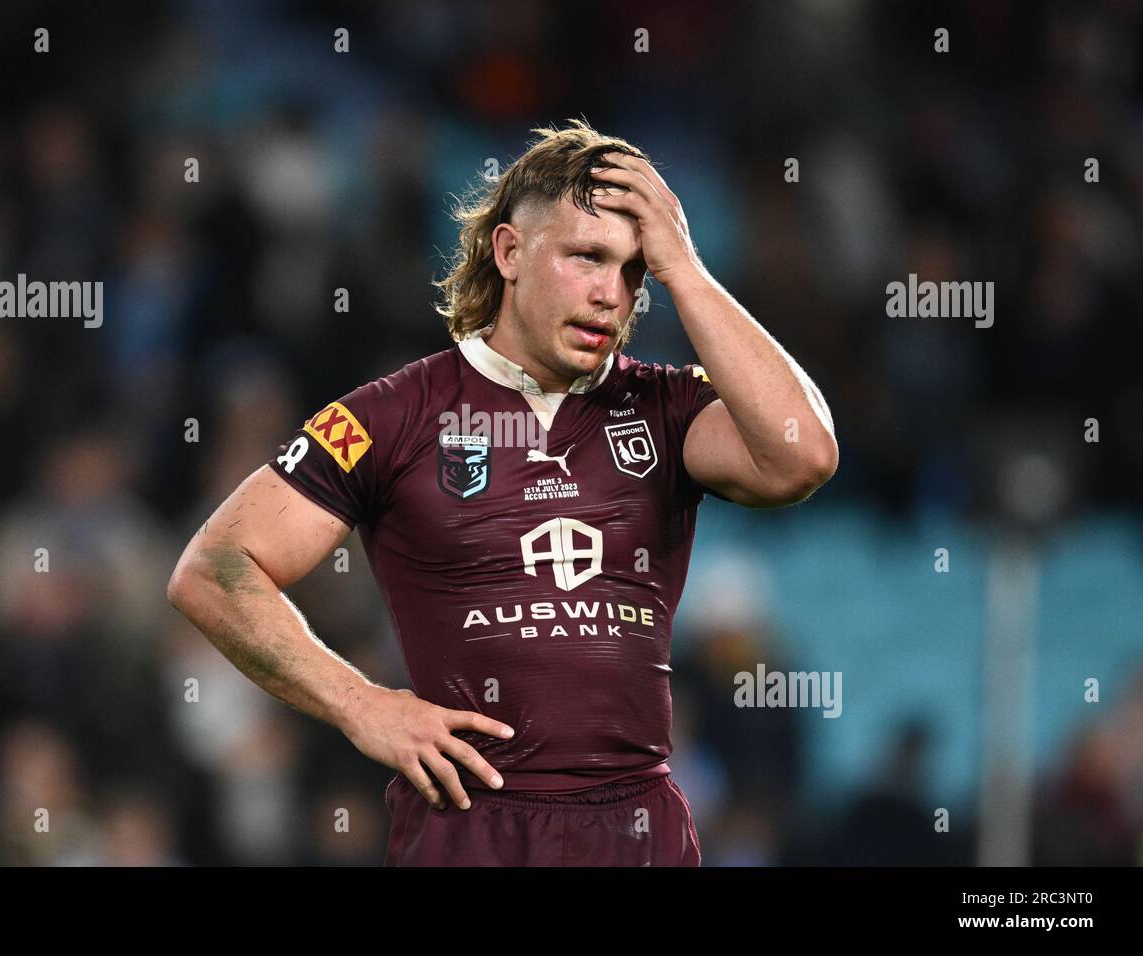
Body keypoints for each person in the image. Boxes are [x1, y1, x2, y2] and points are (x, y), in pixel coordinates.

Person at [167, 119, 838, 866]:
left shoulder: (667, 407)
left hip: (637, 829)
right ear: (510, 252)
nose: (609, 294)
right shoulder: (391, 417)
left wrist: (686, 268)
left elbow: (801, 457)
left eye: (632, 270)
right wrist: (361, 705)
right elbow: (215, 569)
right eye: (586, 257)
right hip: (471, 826)